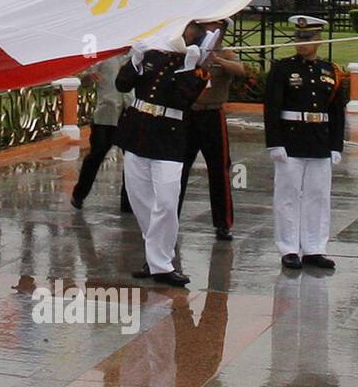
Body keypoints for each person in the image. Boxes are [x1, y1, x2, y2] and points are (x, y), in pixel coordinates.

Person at [115, 24, 214, 287]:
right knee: (140, 199)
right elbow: (122, 85)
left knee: (167, 201)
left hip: (169, 137)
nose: (185, 33)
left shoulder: (196, 66)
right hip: (138, 132)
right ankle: (156, 260)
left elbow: (183, 100)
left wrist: (189, 70)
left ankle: (162, 262)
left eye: (190, 29)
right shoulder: (152, 55)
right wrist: (134, 62)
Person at [264, 15, 346, 271]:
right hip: (291, 138)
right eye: (298, 38)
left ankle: (314, 248)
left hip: (319, 139)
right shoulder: (282, 69)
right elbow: (272, 107)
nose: (301, 43)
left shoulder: (330, 71)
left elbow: (336, 112)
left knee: (318, 196)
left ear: (318, 40)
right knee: (287, 195)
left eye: (307, 39)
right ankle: (289, 248)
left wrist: (336, 145)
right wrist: (275, 142)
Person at [178, 17, 246, 241]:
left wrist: (217, 60)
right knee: (178, 169)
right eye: (207, 26)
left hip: (212, 114)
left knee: (219, 169)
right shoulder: (186, 51)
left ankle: (223, 223)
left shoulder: (225, 54)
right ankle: (171, 217)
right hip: (188, 113)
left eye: (217, 27)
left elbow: (240, 70)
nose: (211, 30)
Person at [70, 52, 132, 210]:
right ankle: (79, 194)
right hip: (107, 114)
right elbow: (84, 81)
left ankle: (128, 202)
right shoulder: (104, 56)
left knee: (132, 160)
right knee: (96, 155)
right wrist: (89, 77)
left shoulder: (137, 56)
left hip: (131, 113)